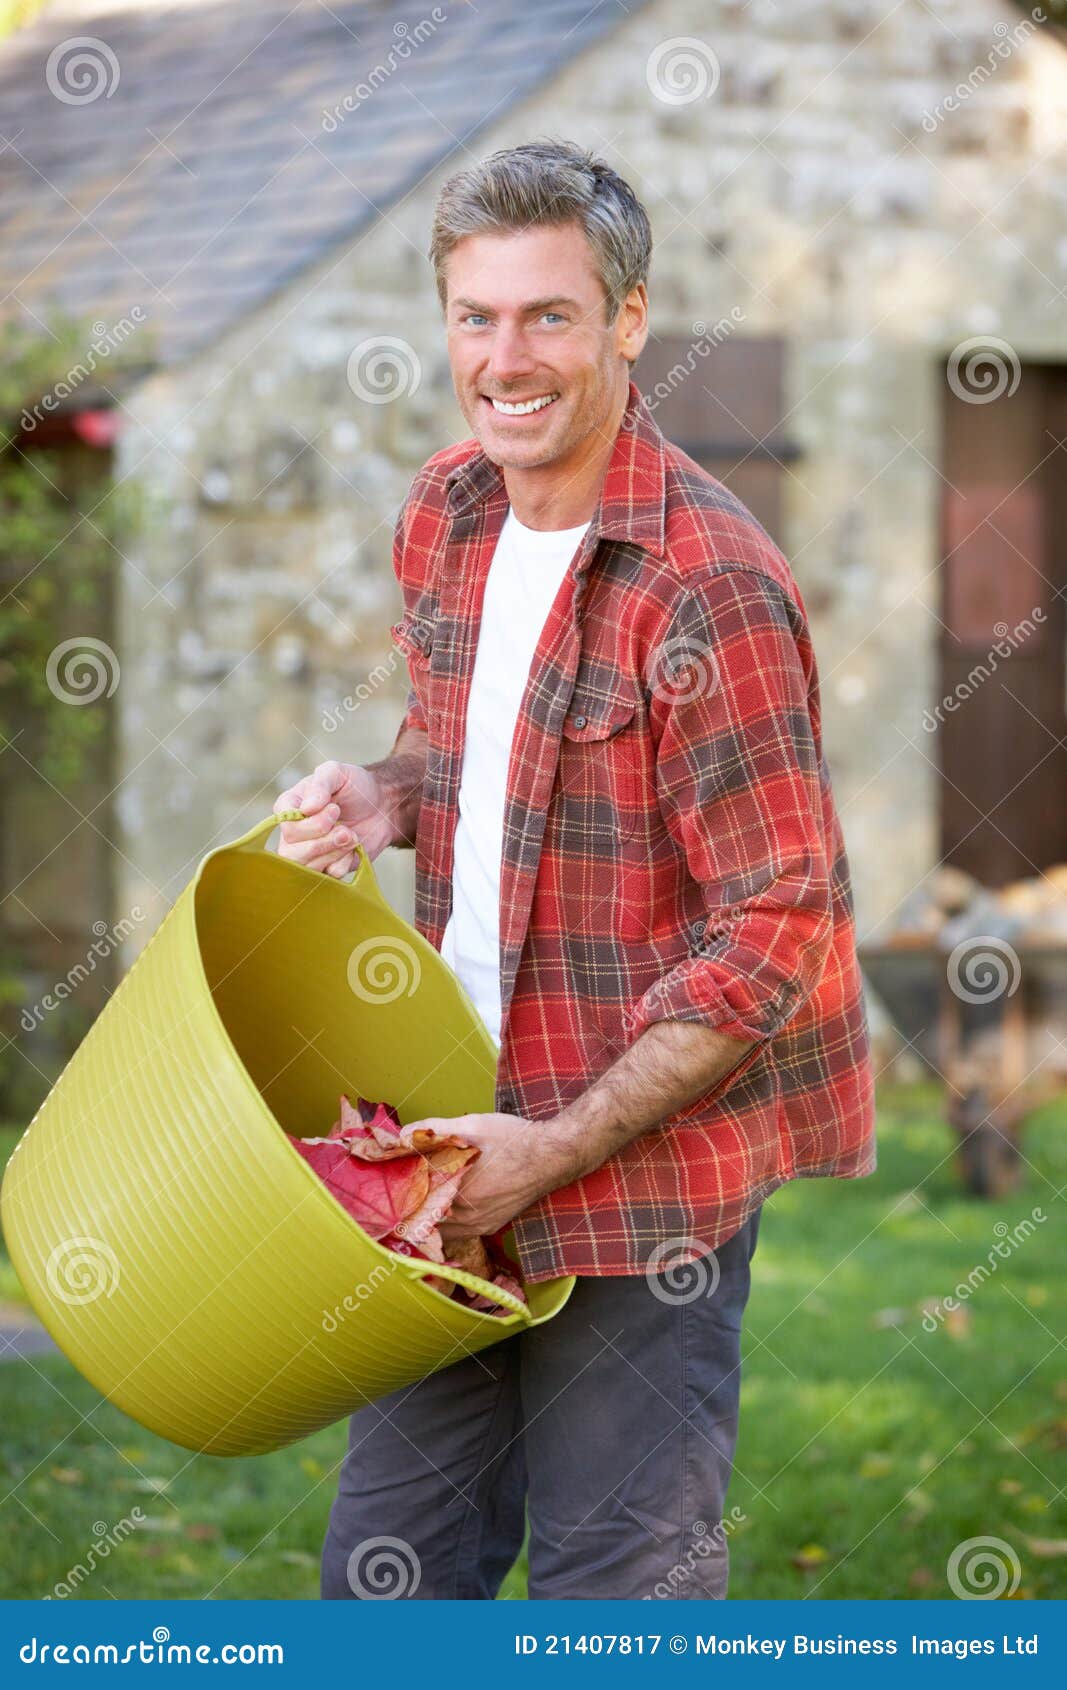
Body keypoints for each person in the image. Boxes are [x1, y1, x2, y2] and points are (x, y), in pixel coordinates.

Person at [274, 138, 876, 1601]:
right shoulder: (451, 513)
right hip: (448, 1149)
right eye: (476, 317)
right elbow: (471, 751)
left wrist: (559, 1143)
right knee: (389, 1582)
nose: (507, 357)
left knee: (620, 1597)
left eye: (549, 314)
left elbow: (778, 922)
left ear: (627, 320)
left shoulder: (707, 584)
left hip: (643, 1179)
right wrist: (384, 791)